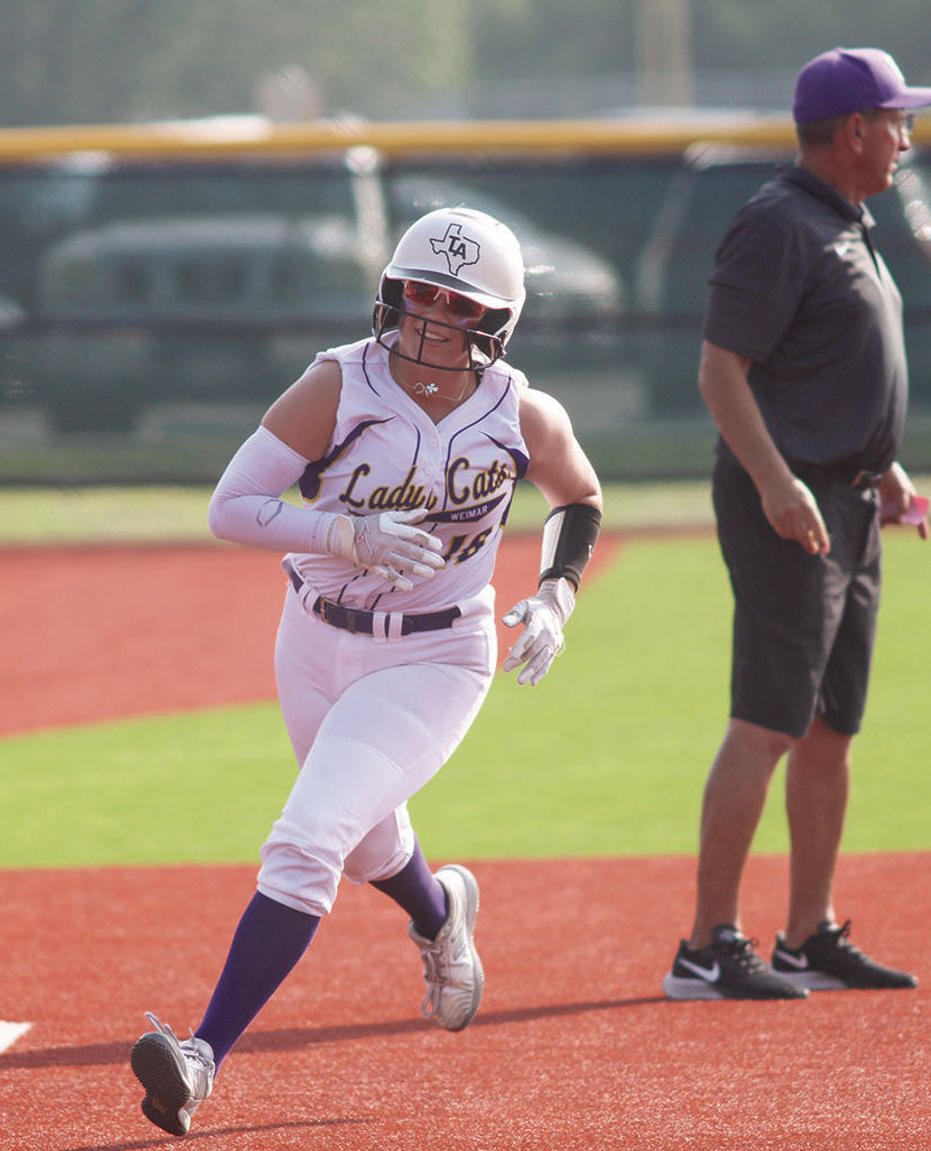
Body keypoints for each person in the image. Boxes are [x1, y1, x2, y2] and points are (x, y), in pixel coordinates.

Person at [131, 206, 603, 1137]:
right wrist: (341, 530)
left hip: (436, 650)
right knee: (360, 841)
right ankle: (440, 911)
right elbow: (231, 507)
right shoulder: (338, 385)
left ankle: (199, 1057)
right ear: (391, 292)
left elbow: (578, 497)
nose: (431, 315)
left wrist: (556, 595)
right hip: (312, 636)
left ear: (496, 320)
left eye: (457, 301)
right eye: (419, 291)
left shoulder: (519, 410)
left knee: (307, 838)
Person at [661, 47, 931, 1002]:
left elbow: (820, 367)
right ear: (854, 131)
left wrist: (884, 468)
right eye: (899, 120)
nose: (909, 137)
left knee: (830, 732)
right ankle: (705, 945)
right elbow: (720, 371)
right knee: (766, 725)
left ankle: (807, 932)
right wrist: (779, 482)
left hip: (849, 499)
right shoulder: (780, 224)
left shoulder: (845, 221)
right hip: (790, 504)